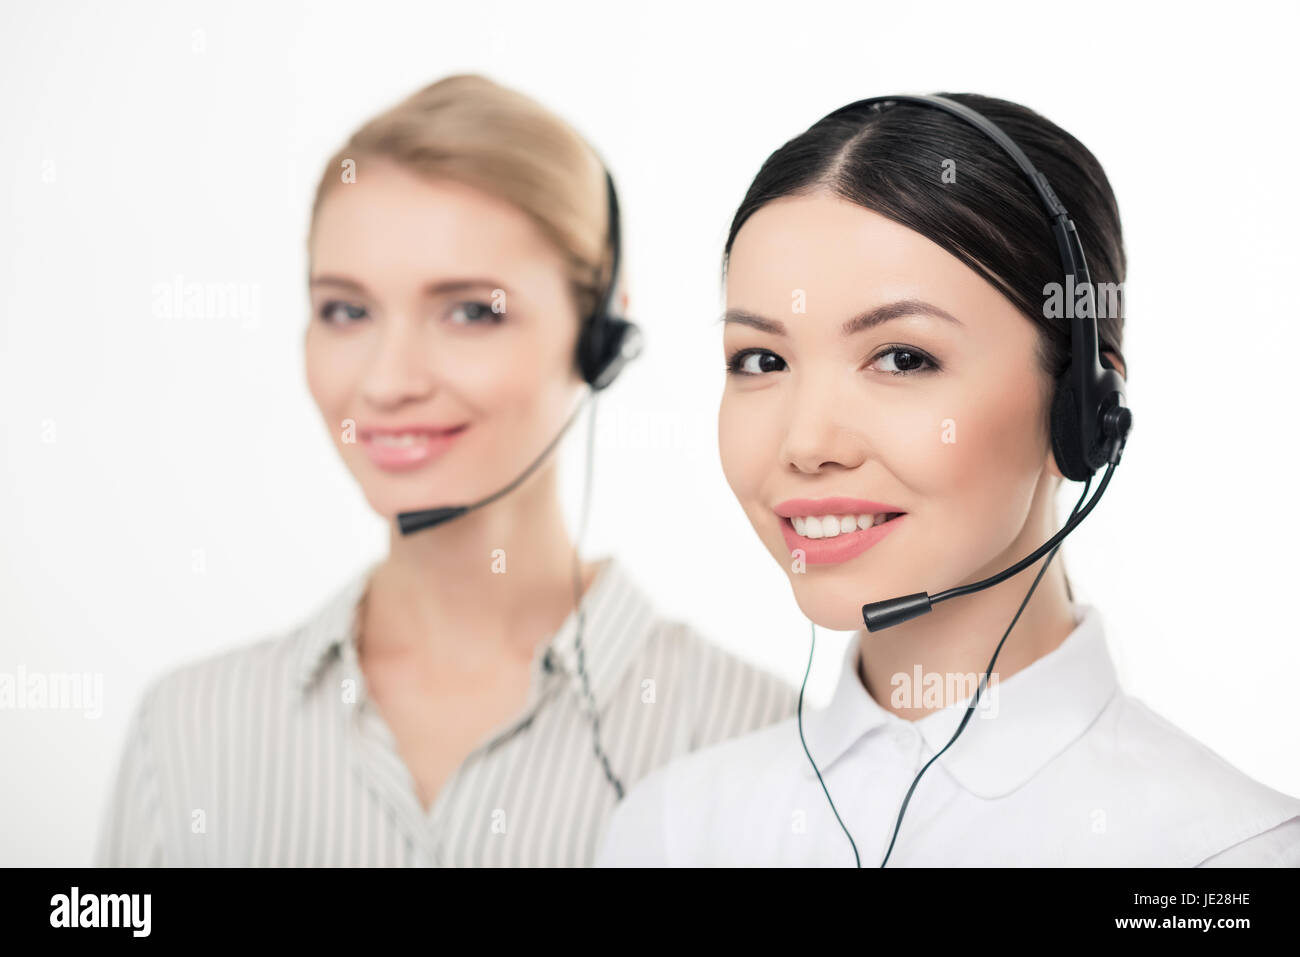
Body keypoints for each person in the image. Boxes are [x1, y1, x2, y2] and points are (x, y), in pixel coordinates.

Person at [93, 73, 796, 867]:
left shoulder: (757, 734)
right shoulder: (188, 730)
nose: (388, 380)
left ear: (599, 337)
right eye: (346, 310)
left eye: (470, 311)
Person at [597, 92, 1300, 867]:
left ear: (1081, 408)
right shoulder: (670, 830)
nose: (805, 443)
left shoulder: (1230, 856)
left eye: (902, 357)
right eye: (762, 360)